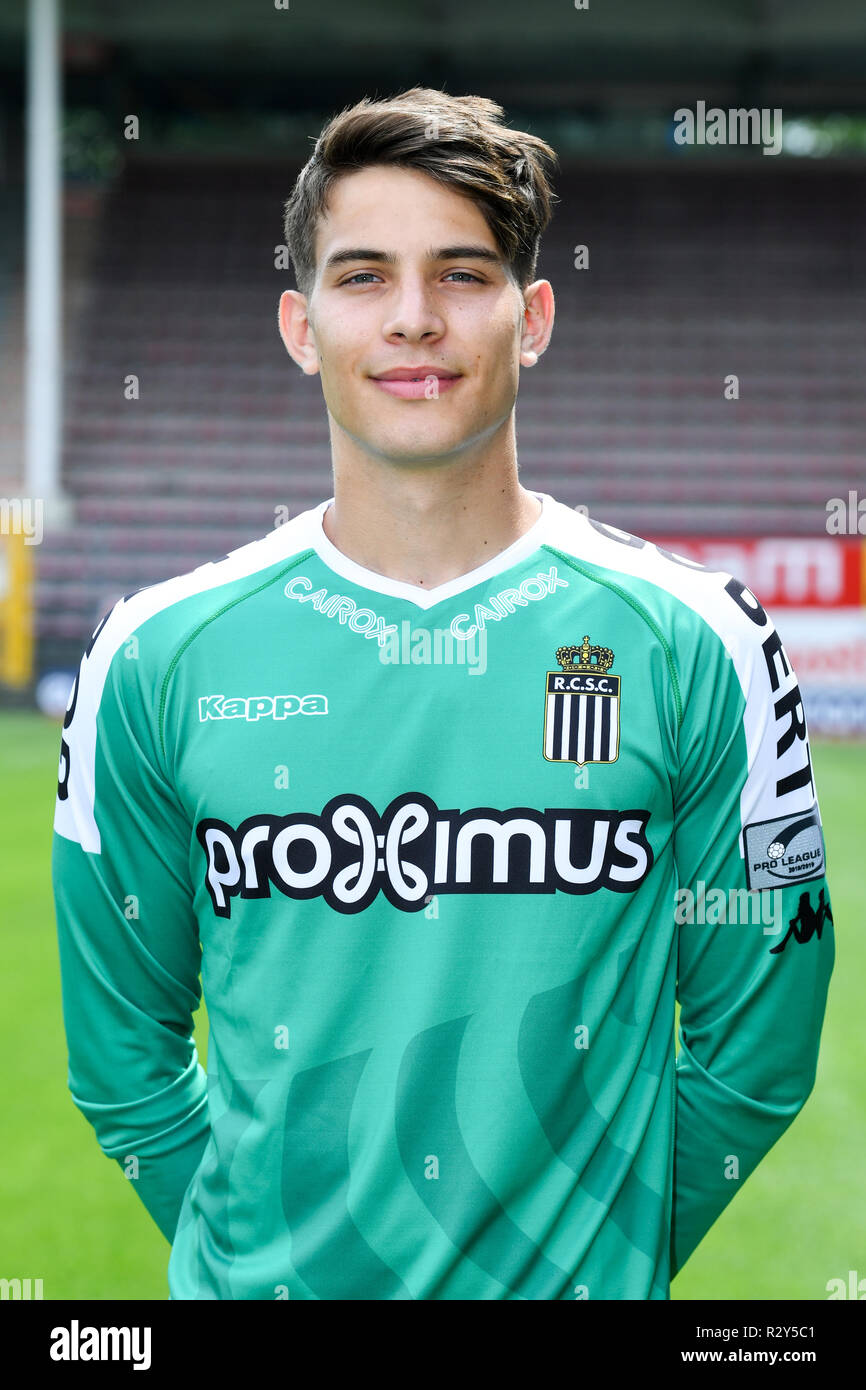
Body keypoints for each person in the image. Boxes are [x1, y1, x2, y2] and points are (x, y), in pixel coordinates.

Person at [51, 85, 834, 1300]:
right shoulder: (156, 654)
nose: (412, 320)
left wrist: (595, 1258)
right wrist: (261, 1263)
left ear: (532, 318)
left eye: (461, 276)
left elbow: (758, 1050)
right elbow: (121, 1065)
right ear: (299, 324)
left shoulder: (698, 641)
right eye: (362, 277)